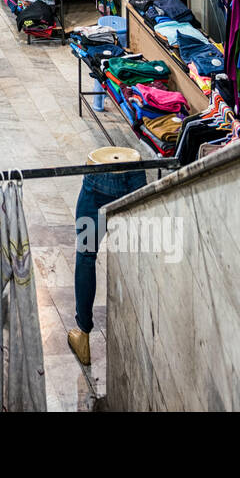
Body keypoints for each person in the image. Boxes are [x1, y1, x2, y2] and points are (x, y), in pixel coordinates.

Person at [68, 149, 147, 366]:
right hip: (135, 177)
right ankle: (137, 335)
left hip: (98, 179)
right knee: (136, 256)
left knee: (86, 255)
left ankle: (83, 335)